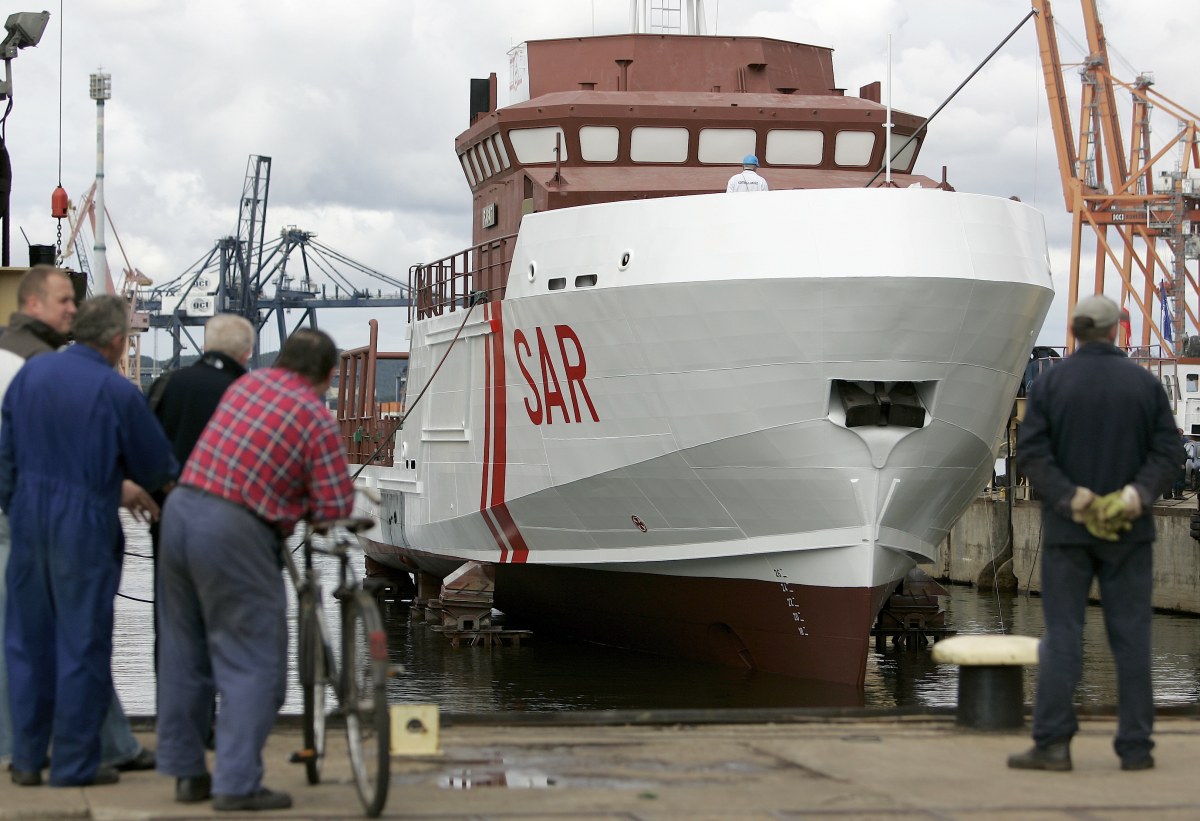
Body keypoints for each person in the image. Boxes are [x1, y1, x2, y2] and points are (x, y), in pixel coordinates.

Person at [156, 328, 354, 811]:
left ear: (280, 359)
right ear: (328, 376)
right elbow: (332, 506)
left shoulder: (244, 386)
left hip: (180, 513)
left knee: (184, 653)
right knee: (253, 662)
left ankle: (186, 772)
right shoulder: (314, 417)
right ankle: (237, 783)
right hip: (234, 528)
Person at [0, 295, 177, 787]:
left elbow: (4, 456)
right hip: (83, 521)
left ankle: (28, 760)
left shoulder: (31, 375)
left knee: (27, 641)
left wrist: (16, 503)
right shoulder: (115, 391)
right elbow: (156, 466)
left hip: (28, 517)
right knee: (82, 645)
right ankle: (75, 765)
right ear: (118, 341)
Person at [1008, 294, 1181, 773]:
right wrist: (1135, 495)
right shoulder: (1144, 385)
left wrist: (1072, 497)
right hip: (1130, 532)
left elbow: (1034, 455)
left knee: (1063, 635)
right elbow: (1169, 454)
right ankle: (1135, 749)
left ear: (1077, 332)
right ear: (1114, 331)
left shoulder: (1051, 383)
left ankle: (1053, 745)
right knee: (1131, 638)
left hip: (1067, 530)